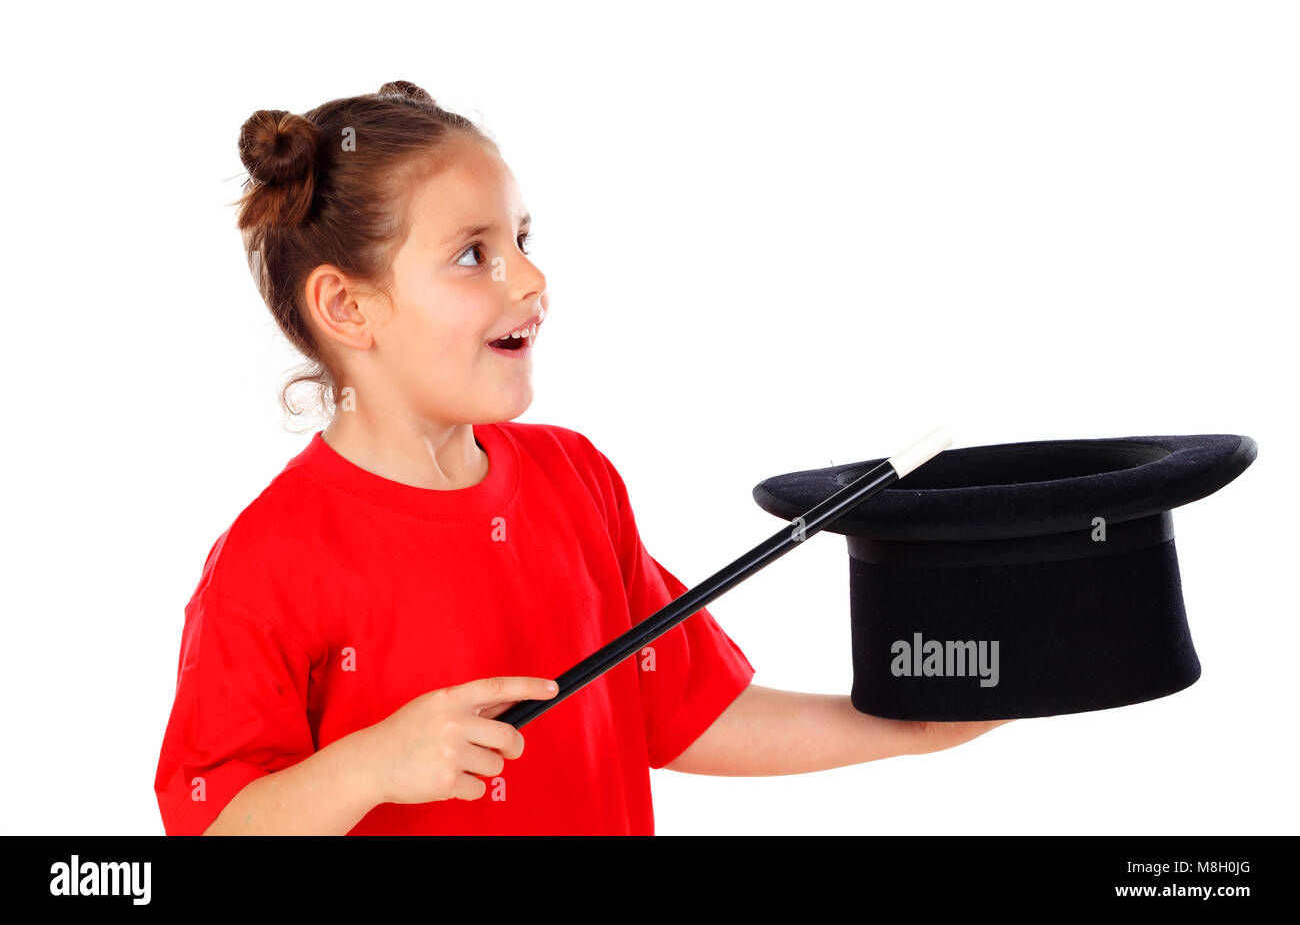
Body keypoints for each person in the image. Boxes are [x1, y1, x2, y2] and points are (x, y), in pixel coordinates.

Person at [153, 80, 1010, 835]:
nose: (530, 281)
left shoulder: (575, 480)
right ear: (347, 306)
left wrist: (911, 729)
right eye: (472, 254)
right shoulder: (272, 558)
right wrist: (368, 766)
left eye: (524, 240)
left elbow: (677, 713)